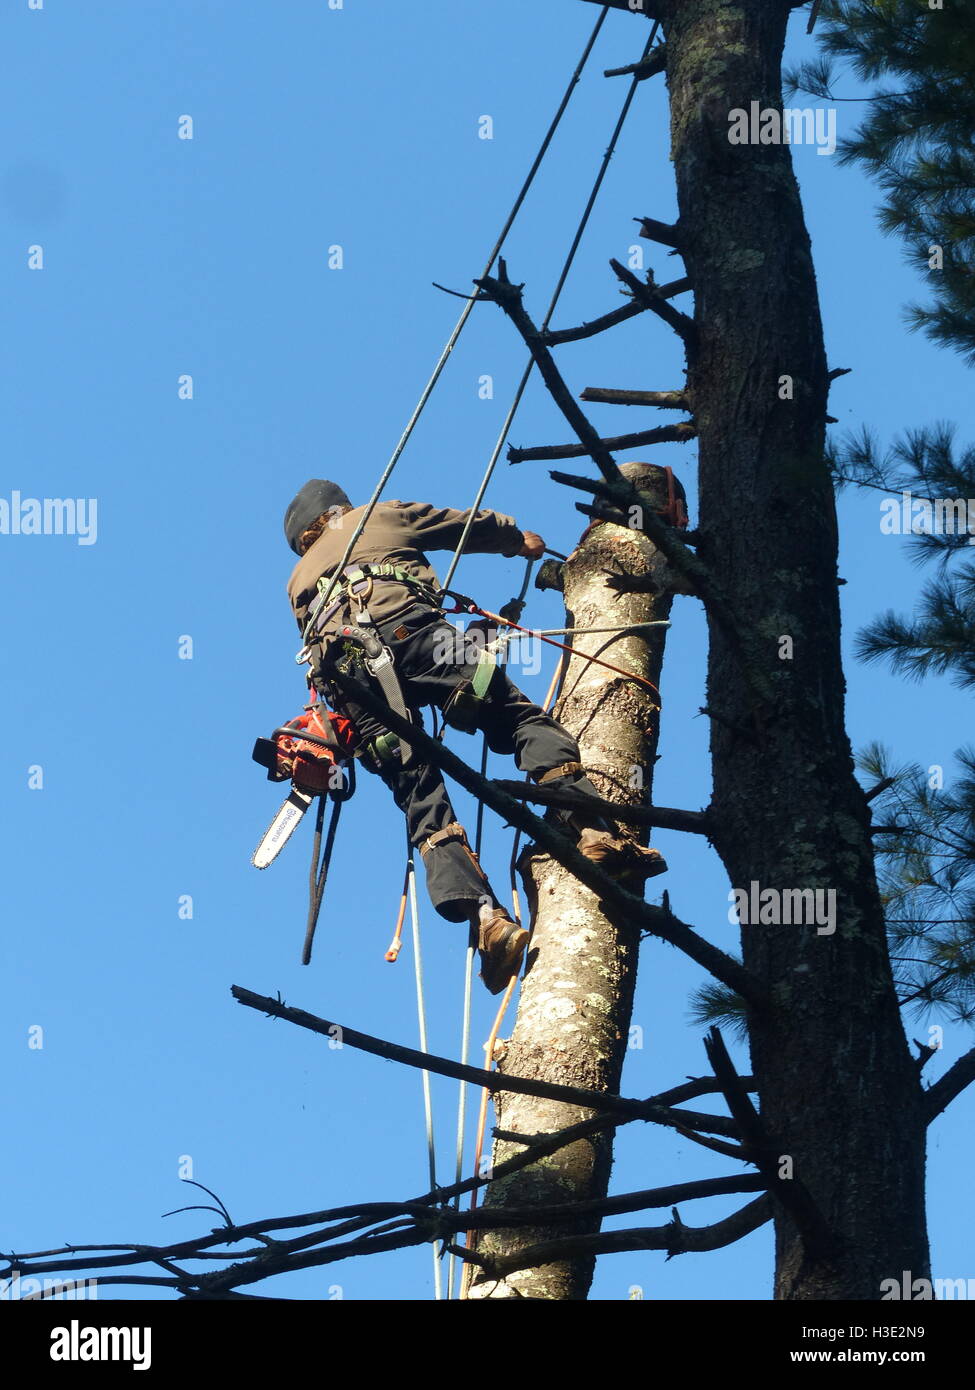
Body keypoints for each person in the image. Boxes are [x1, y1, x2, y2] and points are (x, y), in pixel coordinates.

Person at [284, 479, 666, 993]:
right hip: (417, 636)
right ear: (337, 508)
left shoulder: (296, 584)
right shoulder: (374, 515)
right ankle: (593, 829)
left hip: (354, 686)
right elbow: (460, 525)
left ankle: (486, 920)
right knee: (516, 717)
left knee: (423, 803)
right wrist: (517, 539)